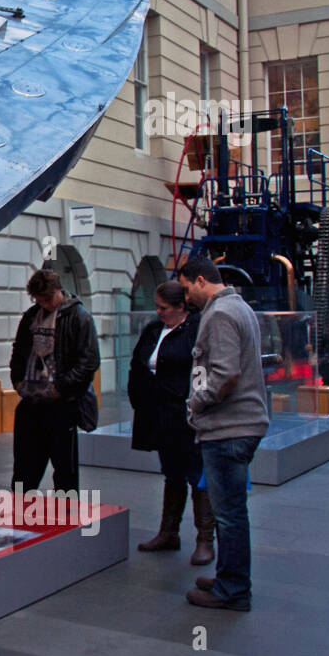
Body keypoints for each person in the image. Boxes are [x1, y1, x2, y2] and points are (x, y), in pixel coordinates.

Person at [178, 257, 270, 612]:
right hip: (238, 425)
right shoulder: (238, 307)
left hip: (228, 428)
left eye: (187, 289)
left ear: (200, 280)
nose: (186, 298)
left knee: (229, 514)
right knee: (231, 512)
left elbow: (225, 373)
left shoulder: (218, 315)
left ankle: (232, 589)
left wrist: (196, 403)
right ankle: (229, 577)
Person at [128, 281, 214, 564]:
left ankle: (205, 539)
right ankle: (169, 531)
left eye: (164, 307)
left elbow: (201, 369)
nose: (159, 311)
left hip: (184, 414)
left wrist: (195, 402)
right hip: (159, 413)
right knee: (172, 472)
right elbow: (137, 364)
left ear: (180, 307)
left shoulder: (196, 329)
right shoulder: (154, 329)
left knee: (195, 474)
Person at [9, 269, 100, 492]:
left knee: (64, 471)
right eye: (39, 300)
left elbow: (88, 362)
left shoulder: (79, 317)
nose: (45, 304)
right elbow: (19, 351)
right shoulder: (32, 316)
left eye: (48, 299)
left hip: (62, 404)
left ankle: (66, 518)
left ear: (58, 290)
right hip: (32, 400)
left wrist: (61, 388)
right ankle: (20, 515)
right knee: (24, 467)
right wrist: (18, 381)